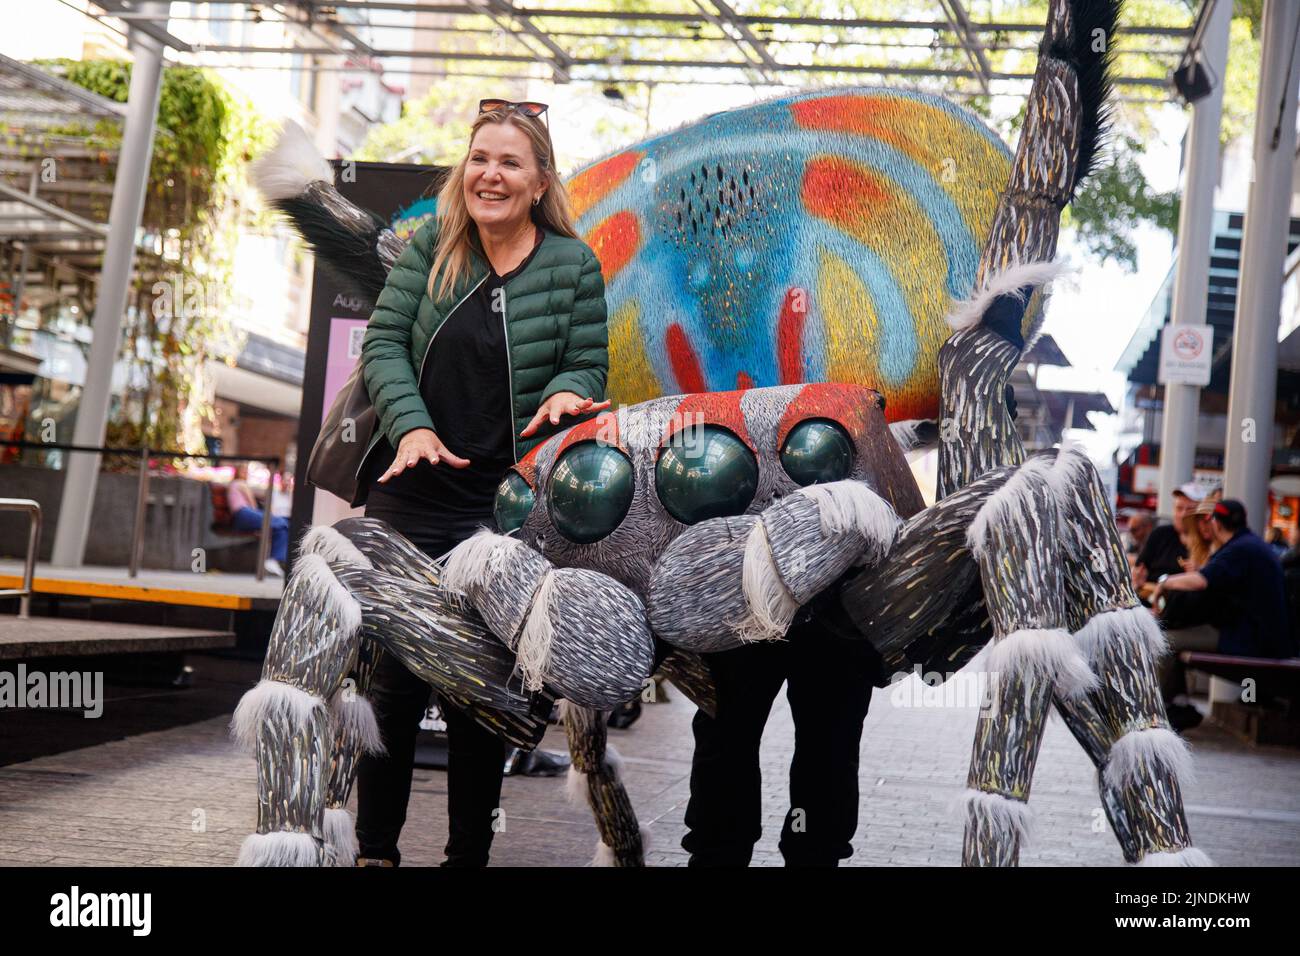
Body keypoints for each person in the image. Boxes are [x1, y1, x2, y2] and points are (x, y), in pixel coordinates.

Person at [355, 98, 610, 867]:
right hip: (411, 492)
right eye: (479, 158)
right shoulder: (431, 245)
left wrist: (569, 388)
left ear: (539, 182)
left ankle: (467, 854)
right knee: (393, 682)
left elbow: (588, 361)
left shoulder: (573, 264)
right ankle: (375, 852)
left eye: (509, 163)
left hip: (503, 509)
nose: (489, 174)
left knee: (482, 690)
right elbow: (383, 345)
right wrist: (415, 429)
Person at [1153, 499, 1294, 730]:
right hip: (1260, 635)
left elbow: (1201, 581)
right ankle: (1178, 705)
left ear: (1217, 524)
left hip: (1252, 639)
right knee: (1172, 637)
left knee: (1163, 641)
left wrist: (1164, 581)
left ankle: (1173, 708)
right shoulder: (1249, 545)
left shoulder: (1239, 549)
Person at [1132, 483, 1205, 596]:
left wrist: (1200, 573)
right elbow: (1139, 571)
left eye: (1190, 510)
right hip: (1148, 600)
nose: (1183, 515)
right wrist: (1137, 581)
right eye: (1179, 508)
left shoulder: (1207, 542)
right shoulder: (1160, 534)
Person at [226, 478, 289, 577]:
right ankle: (275, 559)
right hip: (243, 513)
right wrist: (255, 510)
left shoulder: (236, 484)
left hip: (243, 517)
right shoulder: (239, 483)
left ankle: (274, 560)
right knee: (282, 522)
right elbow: (251, 500)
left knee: (281, 529)